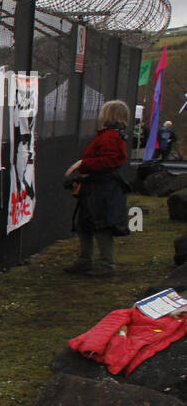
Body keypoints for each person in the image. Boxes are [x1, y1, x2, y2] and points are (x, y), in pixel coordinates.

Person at [64, 100, 132, 277]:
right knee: (85, 223)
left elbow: (109, 161)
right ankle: (87, 260)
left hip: (102, 188)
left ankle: (104, 264)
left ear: (108, 115)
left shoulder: (110, 137)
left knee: (100, 224)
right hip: (99, 186)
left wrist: (84, 163)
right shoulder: (112, 136)